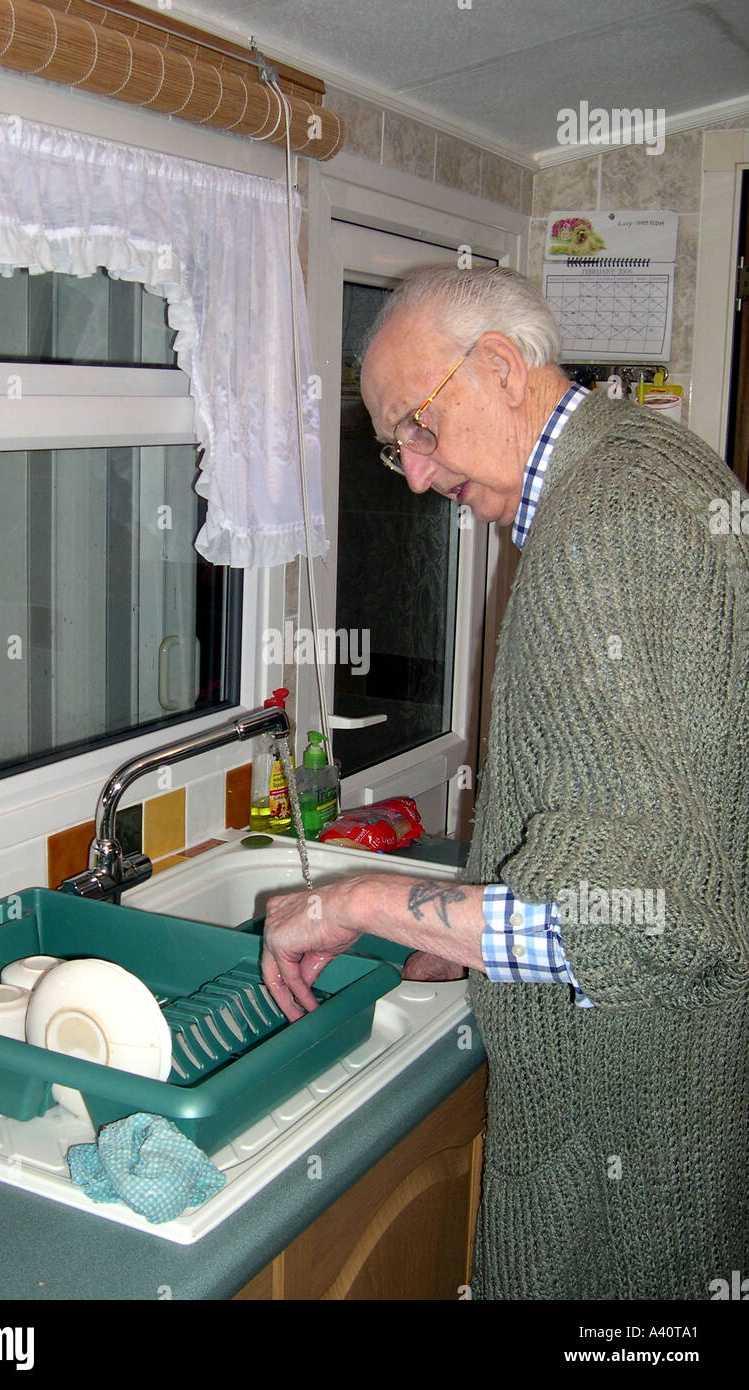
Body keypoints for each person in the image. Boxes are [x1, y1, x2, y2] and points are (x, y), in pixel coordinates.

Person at [261, 264, 749, 1301]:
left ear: (497, 366)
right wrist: (447, 932)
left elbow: (644, 917)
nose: (411, 476)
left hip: (626, 1153)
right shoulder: (636, 469)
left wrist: (354, 897)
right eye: (396, 445)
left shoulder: (609, 528)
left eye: (417, 429)